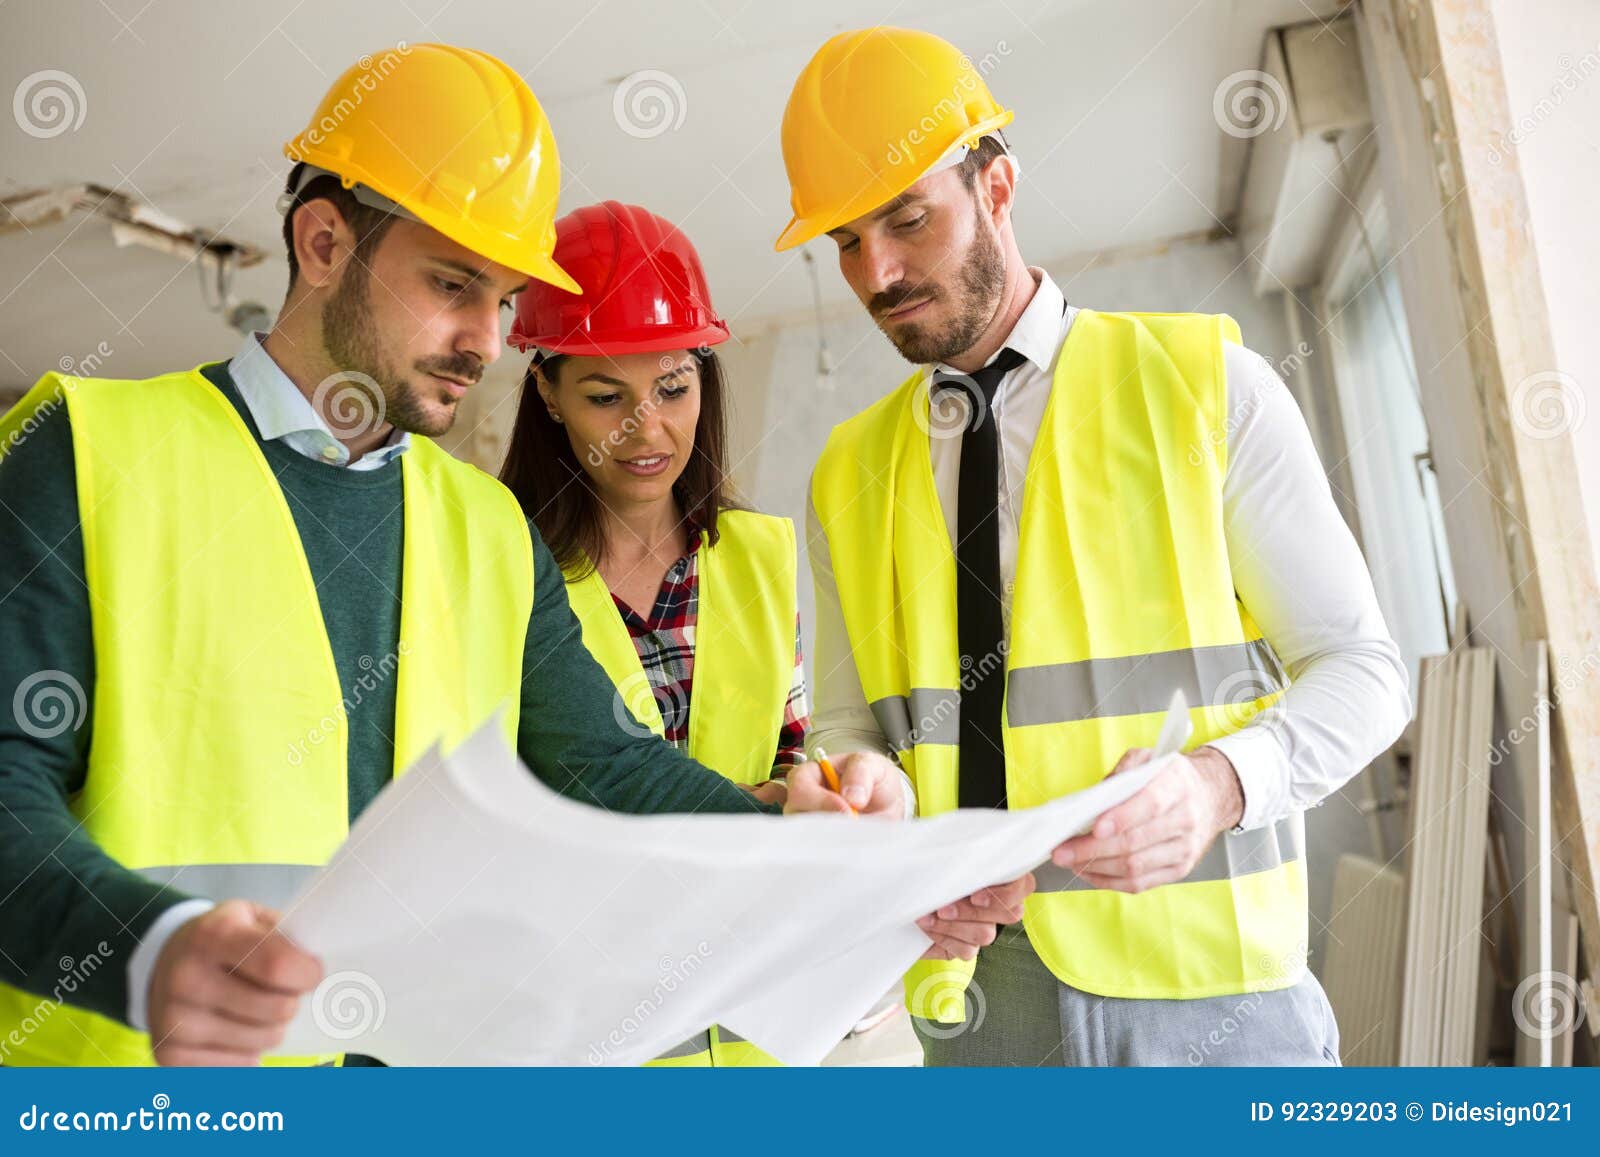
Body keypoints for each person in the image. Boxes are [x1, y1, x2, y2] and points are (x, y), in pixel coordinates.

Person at [0, 44, 950, 1069]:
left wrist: (791, 827)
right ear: (322, 243)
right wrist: (150, 950)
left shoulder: (486, 526)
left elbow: (601, 762)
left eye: (502, 300)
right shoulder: (86, 450)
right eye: (453, 284)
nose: (487, 341)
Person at [779, 26, 1411, 1066]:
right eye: (845, 241)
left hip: (1208, 996)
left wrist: (1215, 784)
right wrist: (858, 799)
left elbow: (1364, 673)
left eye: (906, 218)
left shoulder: (1205, 385)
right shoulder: (846, 470)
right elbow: (857, 722)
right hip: (975, 998)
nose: (876, 271)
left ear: (997, 186)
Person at [500, 201, 805, 1065]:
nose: (649, 429)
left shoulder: (760, 555)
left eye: (673, 388)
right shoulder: (500, 565)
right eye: (607, 397)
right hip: (586, 1026)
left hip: (751, 1022)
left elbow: (792, 743)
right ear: (549, 395)